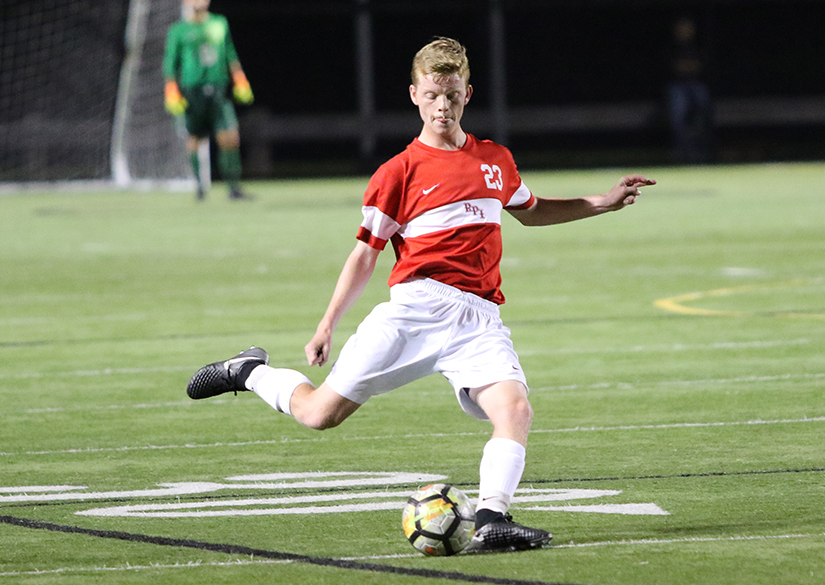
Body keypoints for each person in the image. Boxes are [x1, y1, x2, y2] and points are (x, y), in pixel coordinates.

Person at [186, 37, 655, 553]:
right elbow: (365, 254)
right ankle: (248, 370)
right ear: (414, 95)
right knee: (320, 414)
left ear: (467, 94)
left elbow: (532, 209)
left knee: (515, 409)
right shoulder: (398, 172)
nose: (442, 106)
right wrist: (326, 325)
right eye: (432, 94)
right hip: (416, 310)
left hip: (479, 319)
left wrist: (601, 203)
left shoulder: (495, 160)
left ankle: (493, 518)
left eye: (452, 95)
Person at [163, 0, 253, 200]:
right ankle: (199, 189)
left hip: (218, 90)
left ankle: (233, 188)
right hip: (192, 92)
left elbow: (229, 52)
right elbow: (171, 62)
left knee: (230, 137)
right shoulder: (178, 30)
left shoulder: (219, 23)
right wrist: (171, 89)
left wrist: (240, 78)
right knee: (195, 138)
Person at [666, 16, 713, 164]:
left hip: (696, 84)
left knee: (704, 113)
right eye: (682, 27)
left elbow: (701, 66)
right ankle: (683, 154)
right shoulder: (671, 46)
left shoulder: (698, 45)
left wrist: (688, 67)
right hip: (678, 86)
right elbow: (674, 68)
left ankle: (703, 153)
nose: (685, 31)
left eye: (688, 27)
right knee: (679, 116)